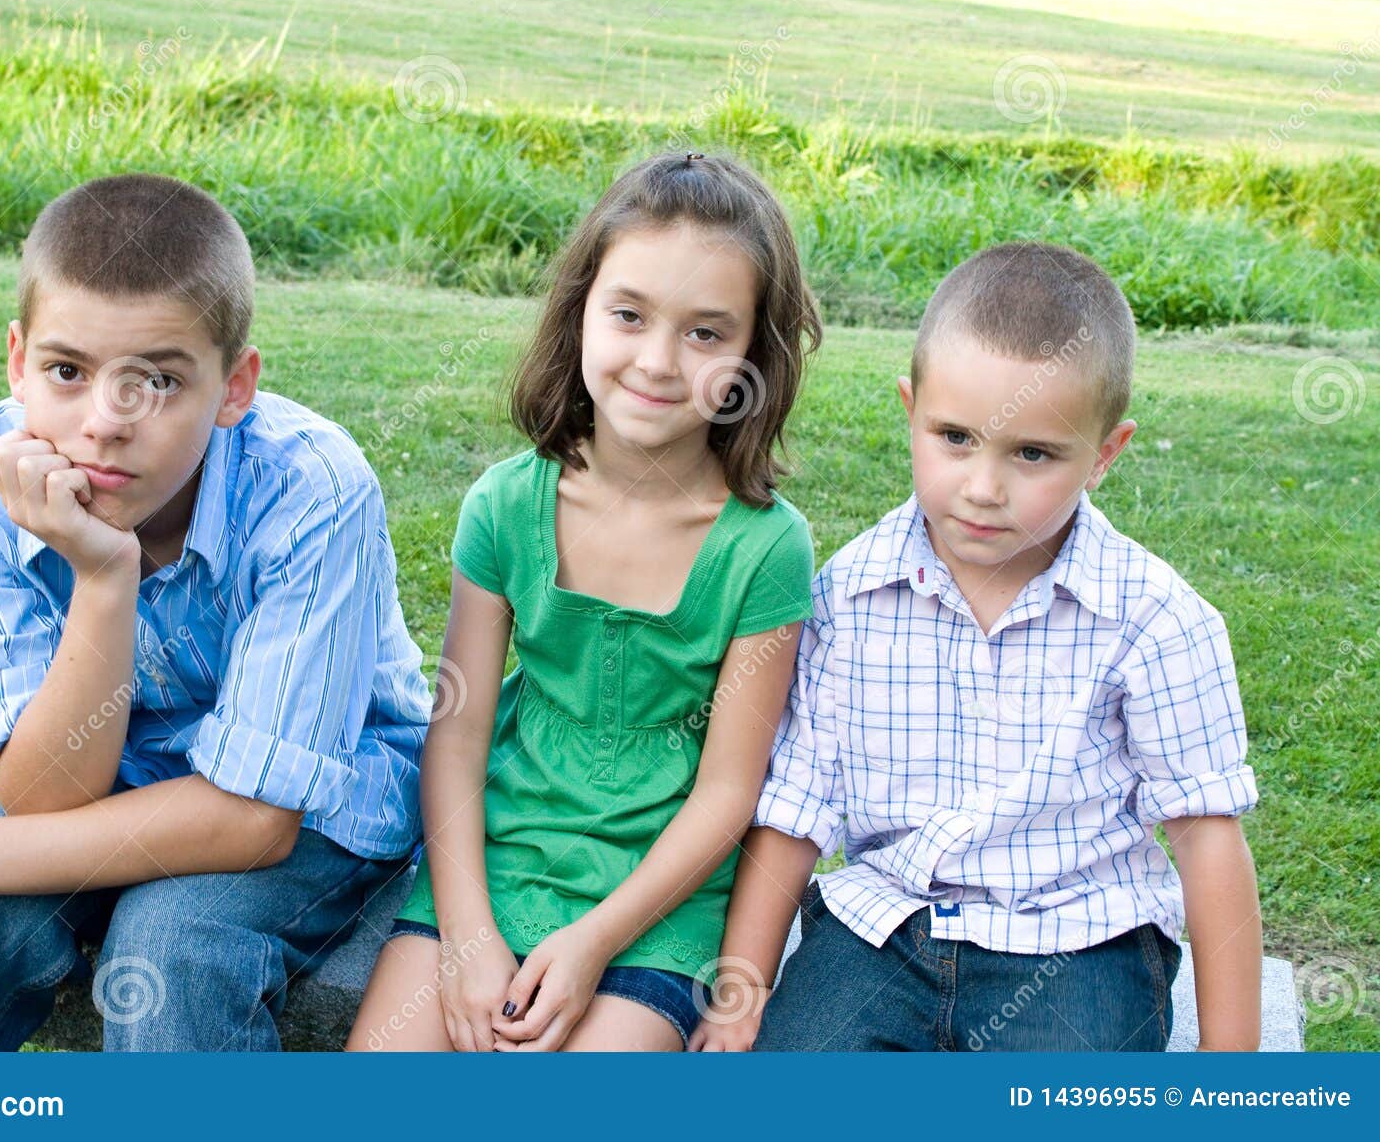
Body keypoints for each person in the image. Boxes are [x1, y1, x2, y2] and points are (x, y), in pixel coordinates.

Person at [0, 173, 431, 1052]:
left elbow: (254, 819)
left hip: (315, 808)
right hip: (108, 789)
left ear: (234, 388)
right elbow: (43, 796)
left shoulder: (312, 490)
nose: (105, 421)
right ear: (16, 360)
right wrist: (104, 577)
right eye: (66, 371)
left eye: (155, 379)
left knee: (173, 943)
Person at [695, 241, 1261, 1052]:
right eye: (954, 437)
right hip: (884, 928)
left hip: (1080, 940)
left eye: (1032, 453)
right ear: (910, 410)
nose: (984, 487)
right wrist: (741, 990)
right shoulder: (850, 595)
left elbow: (1208, 838)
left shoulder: (1157, 620)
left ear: (1105, 453)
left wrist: (1230, 1064)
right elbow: (794, 813)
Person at [348, 152, 821, 1052]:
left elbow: (728, 792)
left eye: (705, 333)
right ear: (581, 315)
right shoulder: (505, 505)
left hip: (657, 905)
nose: (656, 361)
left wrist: (595, 938)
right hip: (494, 865)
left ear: (753, 356)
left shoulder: (764, 547)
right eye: (630, 315)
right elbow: (456, 731)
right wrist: (470, 935)